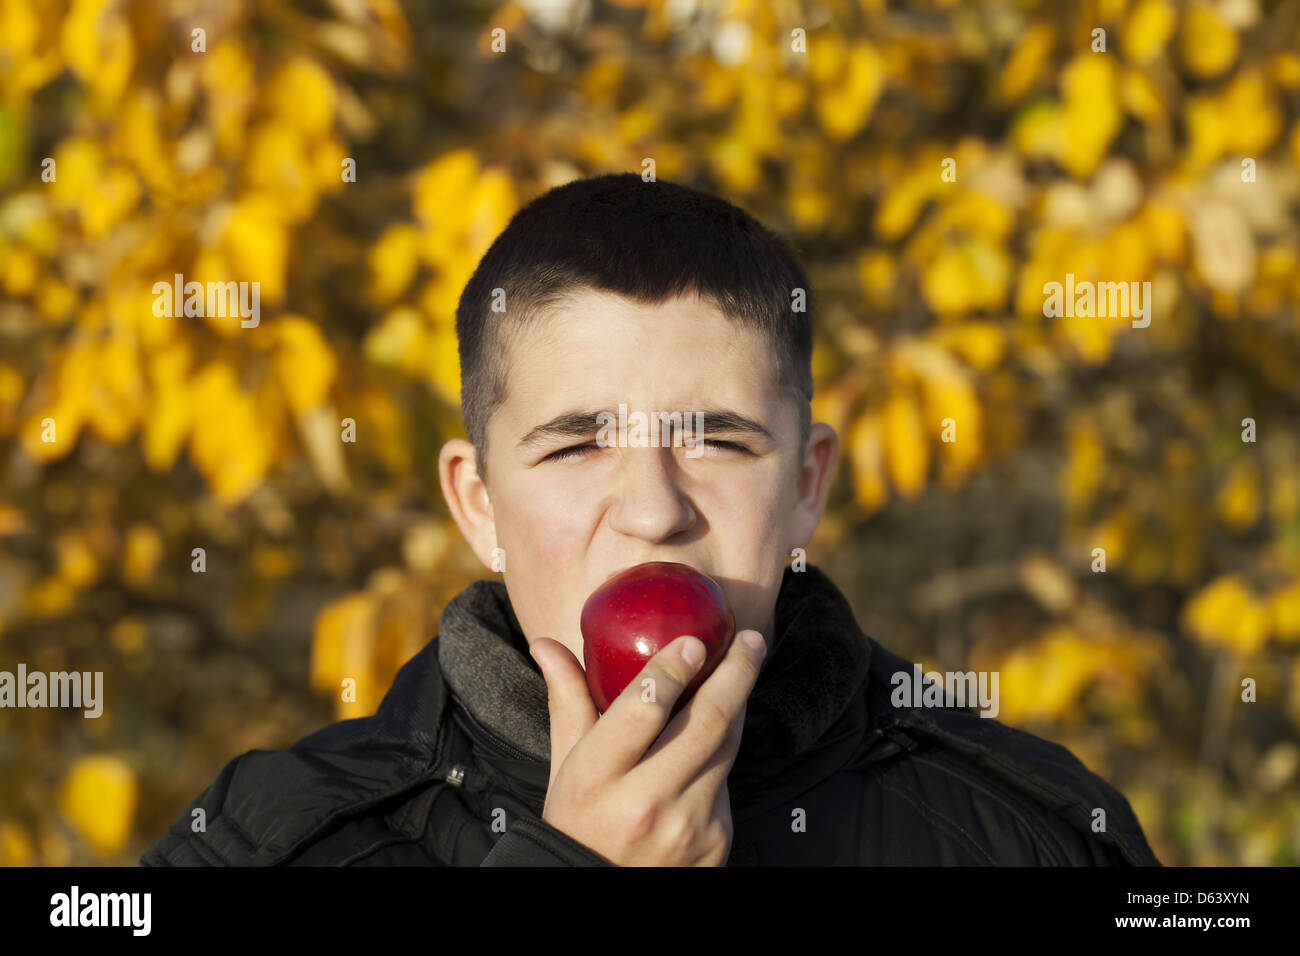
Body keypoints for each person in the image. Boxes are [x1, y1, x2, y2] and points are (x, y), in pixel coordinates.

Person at [141, 173, 1160, 866]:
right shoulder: (265, 843)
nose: (652, 509)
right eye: (577, 442)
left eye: (718, 440)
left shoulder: (1034, 833)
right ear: (477, 502)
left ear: (806, 486)